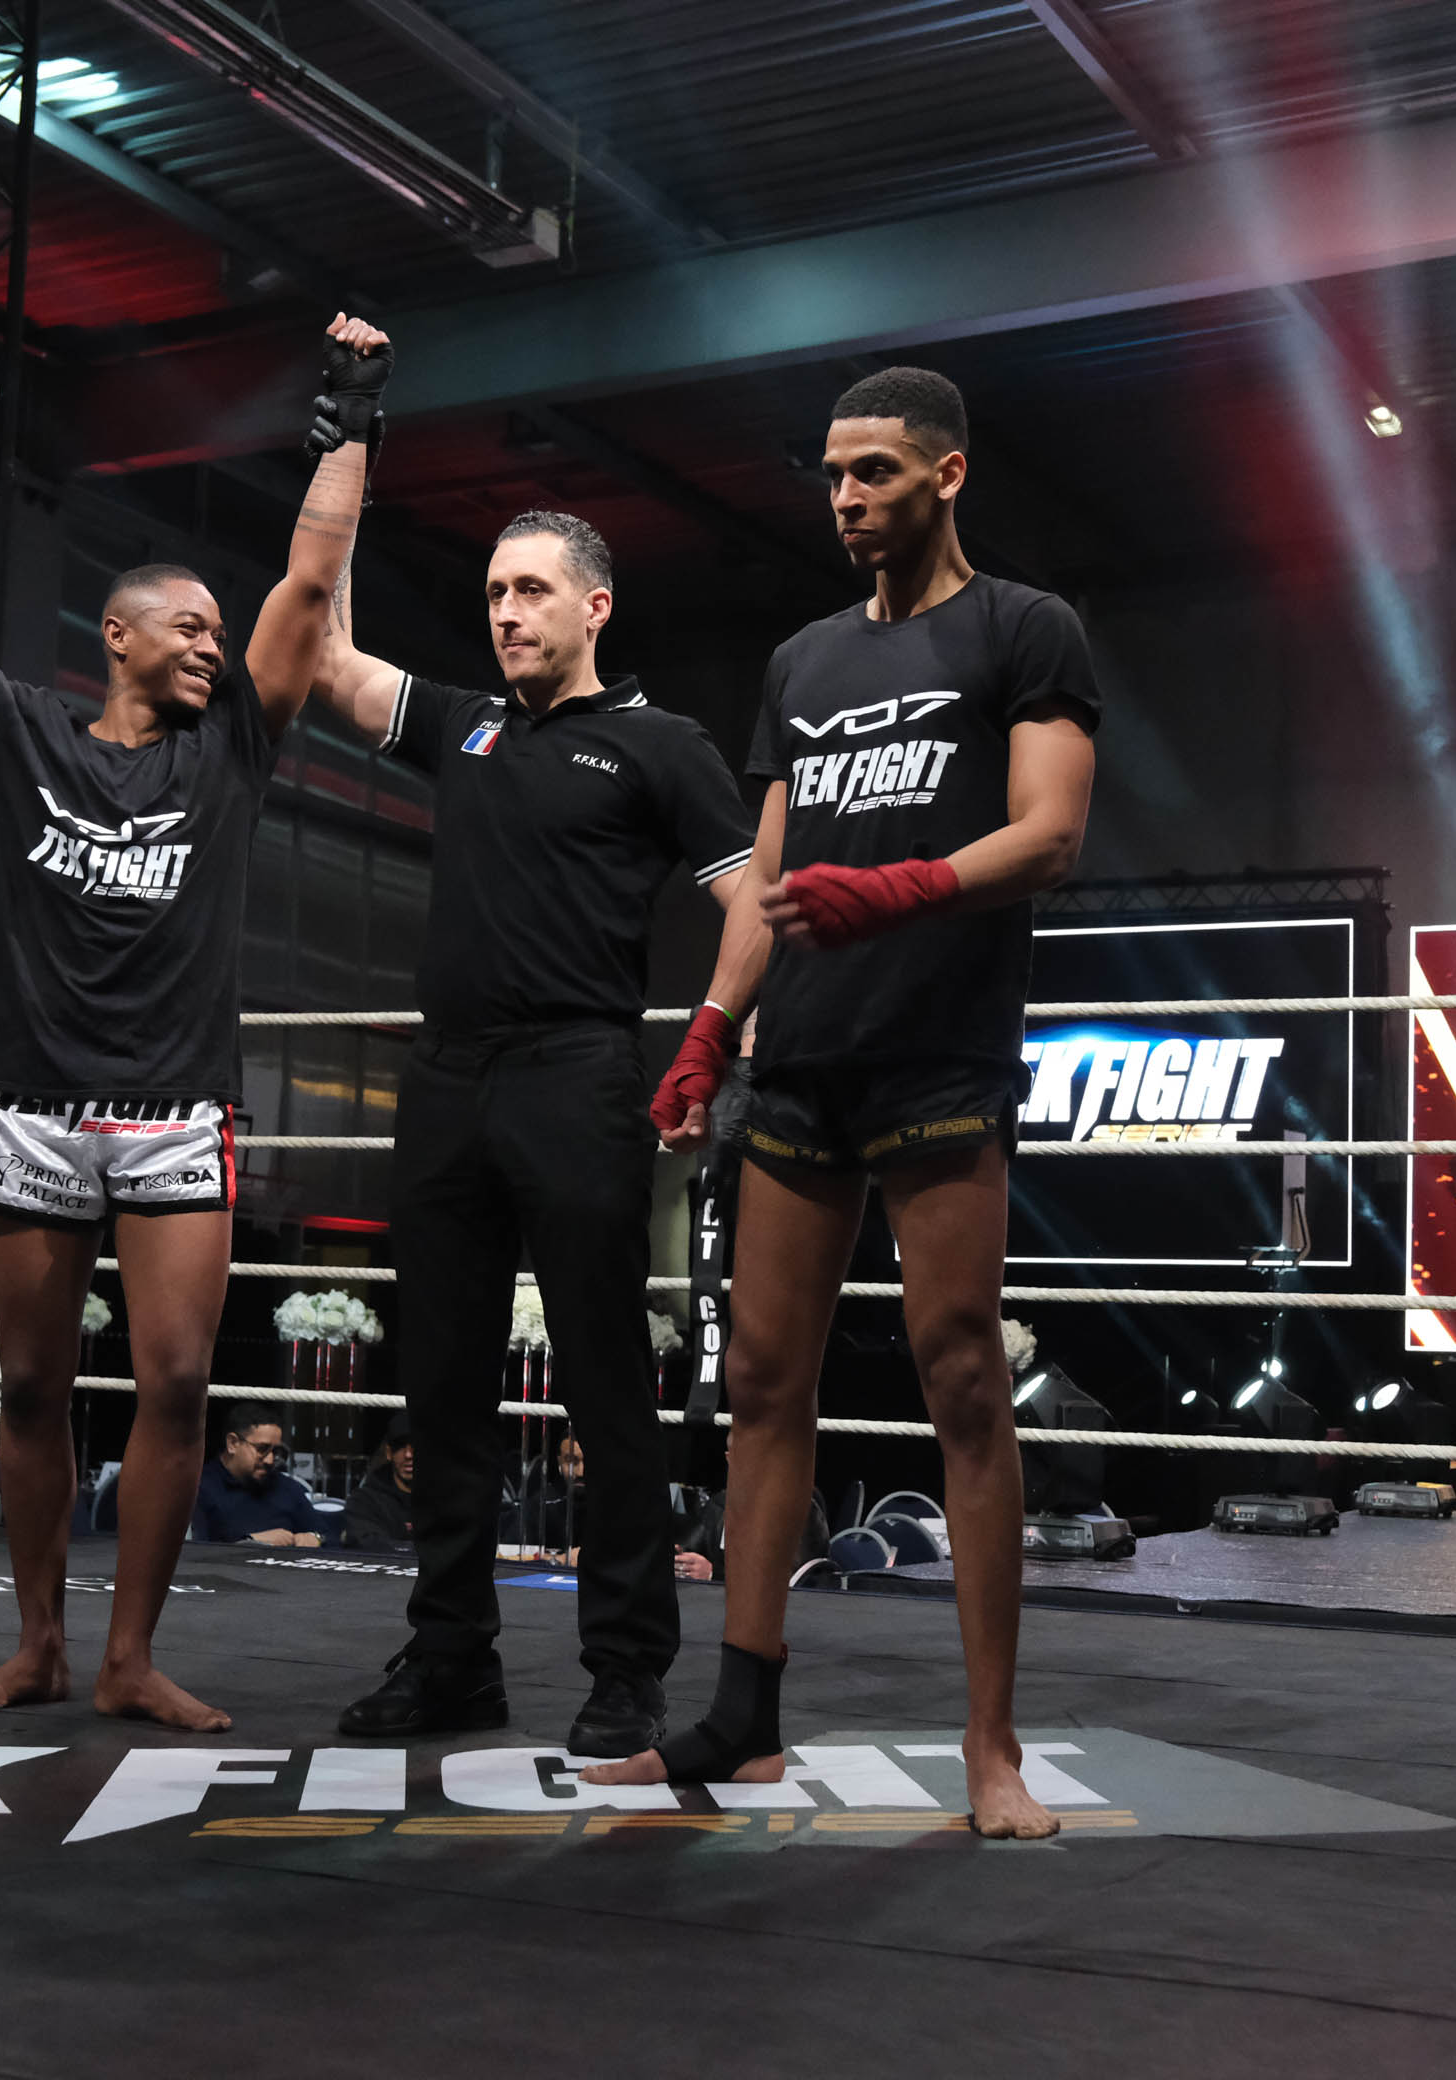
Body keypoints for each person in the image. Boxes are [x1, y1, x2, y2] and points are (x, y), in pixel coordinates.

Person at [587, 367, 1099, 1841]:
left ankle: (990, 1747)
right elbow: (762, 876)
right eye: (830, 474)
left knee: (960, 1381)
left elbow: (1054, 832)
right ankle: (744, 1720)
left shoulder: (1023, 627)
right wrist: (707, 1029)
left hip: (937, 1053)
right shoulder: (802, 661)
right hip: (800, 1062)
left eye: (874, 471)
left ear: (945, 475)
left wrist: (908, 886)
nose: (845, 497)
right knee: (761, 1386)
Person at [0, 324, 358, 1731]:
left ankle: (130, 1657)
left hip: (170, 1108)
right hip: (31, 1099)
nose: (213, 646)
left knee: (180, 1377)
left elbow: (311, 584)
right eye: (190, 627)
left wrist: (348, 418)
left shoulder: (233, 752)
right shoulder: (28, 732)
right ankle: (36, 1640)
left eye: (220, 629)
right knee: (29, 1380)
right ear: (122, 634)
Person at [303, 366, 758, 1759]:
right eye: (496, 593)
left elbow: (757, 898)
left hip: (575, 1077)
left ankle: (626, 1671)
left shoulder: (661, 748)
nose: (505, 613)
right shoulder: (467, 723)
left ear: (593, 607)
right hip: (447, 1080)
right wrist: (347, 448)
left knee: (606, 1379)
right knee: (439, 1383)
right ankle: (454, 1662)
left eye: (532, 592)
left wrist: (709, 1038)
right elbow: (324, 653)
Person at [191, 1405, 324, 1546]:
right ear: (233, 1443)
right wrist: (249, 1542)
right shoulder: (199, 1488)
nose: (270, 1460)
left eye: (275, 1451)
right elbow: (193, 1551)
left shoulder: (286, 1487)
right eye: (262, 1449)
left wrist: (315, 1538)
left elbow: (329, 1537)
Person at [341, 1412, 416, 1551]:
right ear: (389, 1453)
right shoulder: (364, 1501)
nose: (408, 1454)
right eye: (400, 1446)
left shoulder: (448, 1498)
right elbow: (366, 1543)